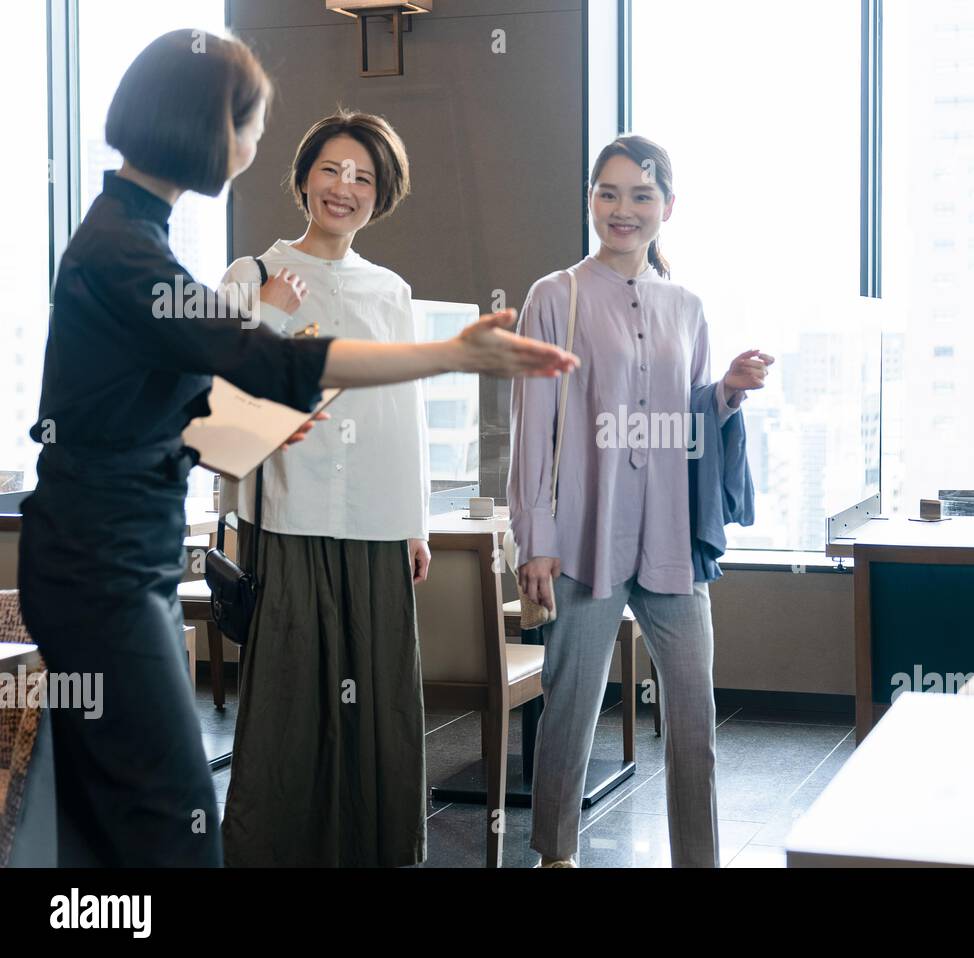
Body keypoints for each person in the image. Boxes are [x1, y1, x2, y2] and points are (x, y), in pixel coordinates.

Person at [18, 29, 575, 867]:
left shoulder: (136, 237)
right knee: (162, 809)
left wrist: (260, 418)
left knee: (129, 807)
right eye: (248, 123)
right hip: (102, 563)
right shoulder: (132, 253)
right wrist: (455, 351)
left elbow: (181, 401)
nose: (250, 146)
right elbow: (264, 361)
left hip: (116, 556)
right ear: (199, 126)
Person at [508, 134, 773, 867]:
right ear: (592, 199)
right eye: (609, 192)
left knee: (694, 717)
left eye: (641, 194)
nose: (623, 209)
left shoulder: (687, 306)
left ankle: (700, 859)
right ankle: (555, 853)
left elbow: (689, 420)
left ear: (668, 207)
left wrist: (725, 391)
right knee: (569, 706)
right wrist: (535, 537)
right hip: (583, 536)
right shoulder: (552, 296)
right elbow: (534, 425)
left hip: (670, 536)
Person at [219, 110, 433, 867]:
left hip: (377, 519)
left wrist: (416, 524)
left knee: (377, 700)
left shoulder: (391, 291)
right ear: (305, 176)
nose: (344, 188)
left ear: (383, 194)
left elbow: (404, 412)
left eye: (363, 177)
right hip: (289, 513)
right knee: (287, 700)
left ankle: (377, 851)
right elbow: (221, 398)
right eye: (332, 171)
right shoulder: (254, 276)